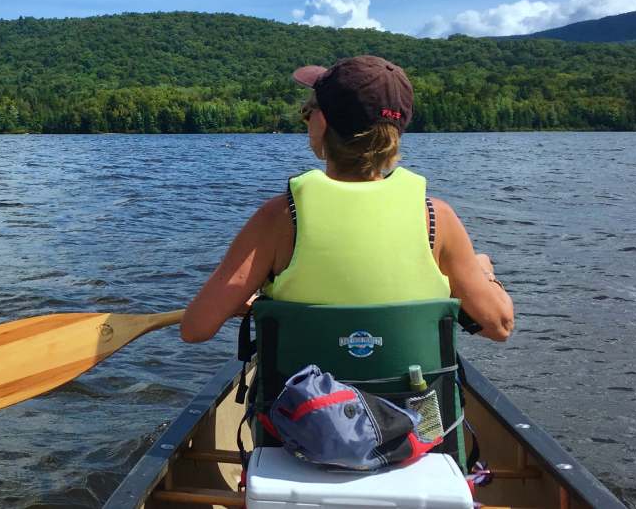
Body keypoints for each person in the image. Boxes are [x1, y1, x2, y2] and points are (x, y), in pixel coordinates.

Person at [180, 55, 514, 344]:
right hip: (412, 415)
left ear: (323, 122)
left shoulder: (280, 216)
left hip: (303, 416)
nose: (306, 118)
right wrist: (483, 272)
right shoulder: (435, 217)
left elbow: (196, 328)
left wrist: (266, 303)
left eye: (307, 111)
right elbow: (498, 326)